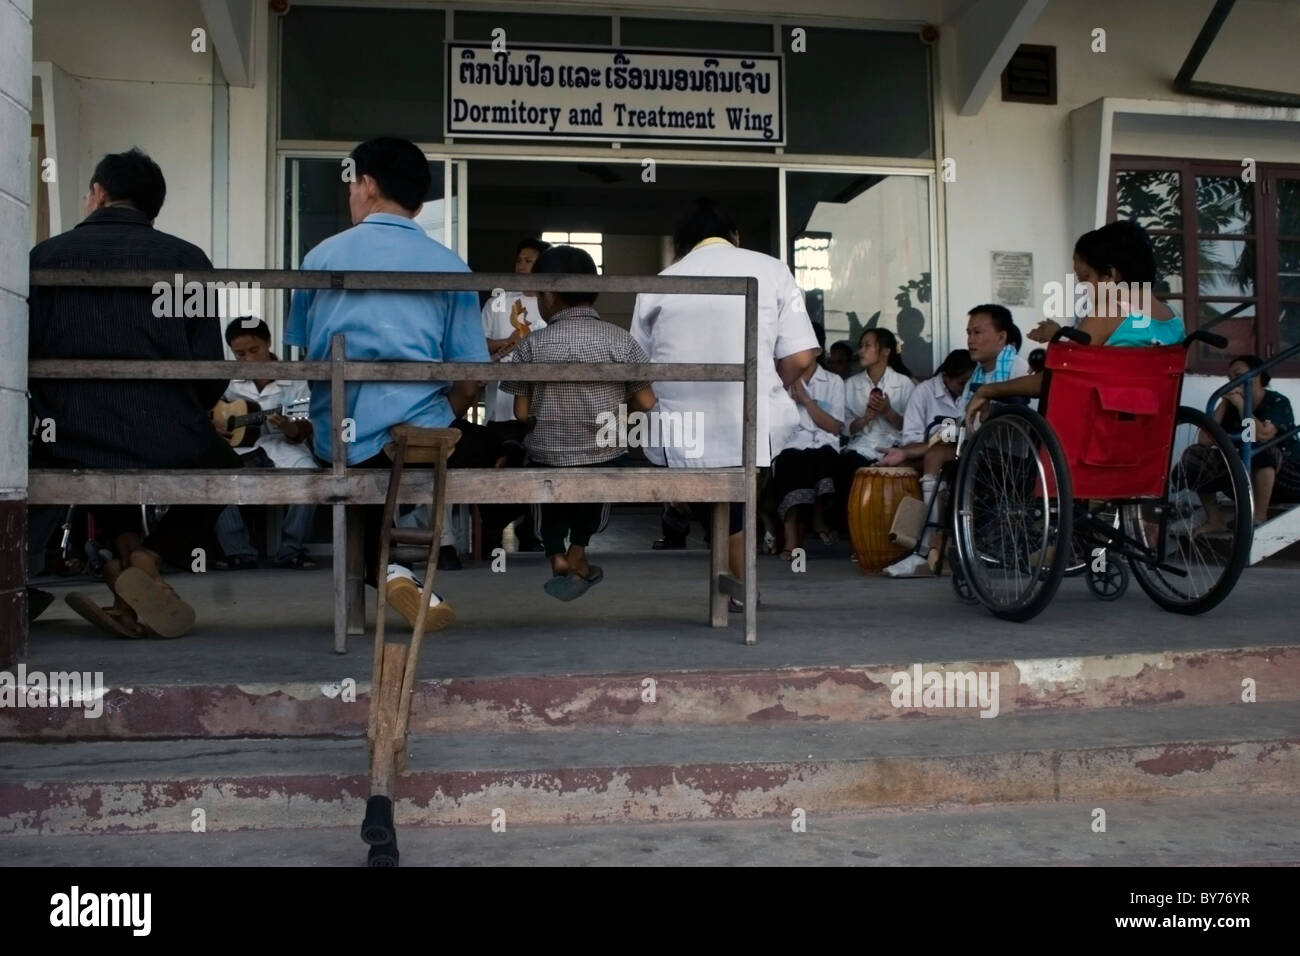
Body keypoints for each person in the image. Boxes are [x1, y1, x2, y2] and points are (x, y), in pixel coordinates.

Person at [286, 136, 512, 632]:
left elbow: (307, 351)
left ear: (366, 185)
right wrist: (443, 413)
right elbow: (472, 380)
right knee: (481, 443)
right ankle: (395, 572)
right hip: (421, 438)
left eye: (351, 186)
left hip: (340, 439)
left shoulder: (321, 257)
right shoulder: (451, 266)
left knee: (357, 474)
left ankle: (387, 572)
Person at [28, 147, 242, 638]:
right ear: (153, 208)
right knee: (226, 466)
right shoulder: (186, 258)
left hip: (63, 436)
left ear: (99, 194)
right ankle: (147, 558)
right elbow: (210, 373)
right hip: (162, 434)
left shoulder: (46, 256)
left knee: (97, 451)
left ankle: (124, 567)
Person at [630, 198, 819, 611]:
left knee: (719, 496)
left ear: (682, 245)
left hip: (681, 432)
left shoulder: (660, 281)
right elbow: (803, 358)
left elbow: (636, 371)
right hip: (754, 423)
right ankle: (740, 584)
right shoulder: (772, 270)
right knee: (736, 491)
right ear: (734, 236)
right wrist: (770, 388)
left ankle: (737, 581)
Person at [502, 246, 655, 600]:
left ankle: (555, 553)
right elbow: (647, 401)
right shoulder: (620, 340)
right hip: (603, 451)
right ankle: (579, 552)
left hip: (548, 452)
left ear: (551, 294)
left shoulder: (532, 345)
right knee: (599, 476)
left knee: (546, 482)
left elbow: (521, 414)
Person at [967, 221, 1183, 420]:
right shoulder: (1174, 320)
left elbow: (1054, 381)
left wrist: (989, 389)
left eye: (1086, 278)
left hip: (1100, 439)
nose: (1084, 290)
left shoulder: (1107, 314)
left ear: (1111, 274)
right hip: (1151, 439)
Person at [880, 306, 1024, 577]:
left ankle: (929, 549)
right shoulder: (977, 377)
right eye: (968, 332)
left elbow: (1024, 420)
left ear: (1002, 338)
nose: (970, 339)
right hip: (981, 449)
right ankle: (930, 549)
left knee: (939, 461)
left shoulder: (1018, 369)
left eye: (978, 332)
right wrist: (908, 452)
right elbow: (960, 427)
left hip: (1013, 457)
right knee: (933, 457)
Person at [211, 318, 318, 571]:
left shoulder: (295, 379)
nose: (248, 359)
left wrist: (289, 427)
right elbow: (208, 412)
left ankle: (292, 550)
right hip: (240, 448)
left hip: (283, 445)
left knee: (312, 475)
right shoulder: (227, 382)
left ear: (268, 343)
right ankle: (238, 552)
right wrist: (215, 426)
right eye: (240, 354)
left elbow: (303, 427)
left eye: (254, 350)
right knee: (214, 473)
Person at [478, 237, 550, 553]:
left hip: (539, 408)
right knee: (498, 465)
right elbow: (476, 347)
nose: (521, 266)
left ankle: (530, 533)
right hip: (500, 405)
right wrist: (501, 343)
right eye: (519, 260)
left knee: (533, 464)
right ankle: (491, 531)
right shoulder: (498, 300)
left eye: (529, 261)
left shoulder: (553, 303)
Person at [1195, 354, 1300, 528]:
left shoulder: (1277, 401)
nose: (1232, 382)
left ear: (1257, 376)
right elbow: (1204, 442)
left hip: (1289, 479)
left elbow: (1263, 435)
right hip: (1245, 479)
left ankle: (1257, 518)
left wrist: (1240, 405)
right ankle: (1214, 519)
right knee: (1196, 455)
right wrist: (1224, 403)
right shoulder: (1230, 406)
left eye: (1238, 376)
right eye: (1230, 379)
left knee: (1259, 448)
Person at [770, 336, 845, 557]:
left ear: (818, 351)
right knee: (790, 461)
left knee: (823, 458)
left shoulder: (833, 382)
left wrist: (807, 401)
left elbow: (833, 427)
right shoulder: (782, 382)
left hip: (823, 441)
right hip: (791, 442)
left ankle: (818, 518)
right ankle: (792, 536)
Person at [834, 327, 915, 527]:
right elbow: (843, 427)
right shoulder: (850, 384)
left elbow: (913, 428)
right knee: (848, 472)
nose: (861, 351)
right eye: (861, 346)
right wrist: (865, 419)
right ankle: (857, 533)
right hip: (861, 446)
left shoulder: (904, 384)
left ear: (886, 351)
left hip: (893, 446)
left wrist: (888, 412)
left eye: (867, 346)